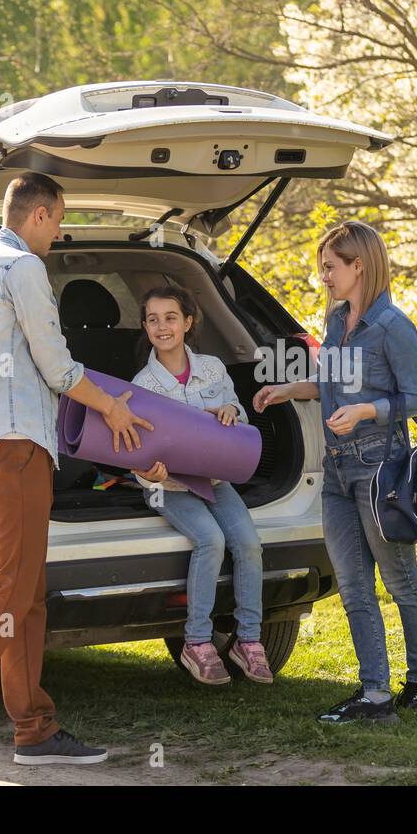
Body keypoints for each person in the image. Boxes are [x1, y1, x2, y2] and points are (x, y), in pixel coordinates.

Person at [0, 171, 155, 783]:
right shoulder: (23, 270)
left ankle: (34, 728)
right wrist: (113, 407)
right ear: (37, 215)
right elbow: (59, 366)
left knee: (26, 594)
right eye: (58, 219)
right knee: (10, 589)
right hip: (15, 446)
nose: (60, 231)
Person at [254, 220, 417, 723]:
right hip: (336, 471)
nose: (324, 277)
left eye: (330, 268)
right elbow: (329, 381)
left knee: (400, 579)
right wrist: (286, 390)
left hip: (379, 470)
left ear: (357, 266)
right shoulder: (335, 320)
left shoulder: (393, 327)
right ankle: (375, 695)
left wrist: (365, 412)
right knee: (354, 586)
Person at [129, 285, 273, 685]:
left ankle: (248, 641)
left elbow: (238, 416)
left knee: (248, 543)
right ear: (144, 327)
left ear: (188, 322)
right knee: (211, 540)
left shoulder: (212, 367)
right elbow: (135, 450)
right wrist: (148, 474)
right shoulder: (144, 384)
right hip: (170, 487)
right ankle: (196, 642)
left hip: (216, 481)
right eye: (153, 319)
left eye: (171, 317)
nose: (163, 326)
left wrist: (231, 410)